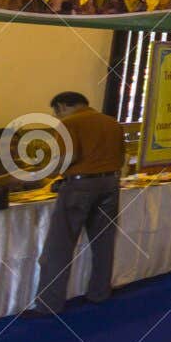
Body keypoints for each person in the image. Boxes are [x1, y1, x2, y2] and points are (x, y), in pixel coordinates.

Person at [30, 92, 125, 317]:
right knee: (104, 242)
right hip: (111, 183)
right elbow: (121, 157)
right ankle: (99, 293)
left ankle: (48, 305)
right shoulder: (112, 123)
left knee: (59, 247)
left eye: (56, 110)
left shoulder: (69, 123)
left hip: (79, 186)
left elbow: (64, 159)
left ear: (62, 106)